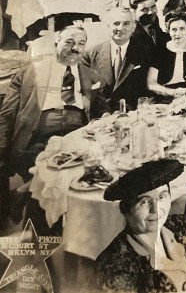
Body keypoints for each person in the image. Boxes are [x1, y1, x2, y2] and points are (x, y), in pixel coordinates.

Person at [92, 159, 186, 293]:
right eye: (144, 201)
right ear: (126, 210)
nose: (156, 209)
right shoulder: (113, 267)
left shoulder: (181, 225)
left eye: (162, 197)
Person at [0, 26, 107, 181]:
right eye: (69, 42)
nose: (75, 48)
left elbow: (104, 114)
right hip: (38, 139)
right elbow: (6, 115)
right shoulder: (28, 73)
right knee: (44, 177)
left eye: (81, 43)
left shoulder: (93, 77)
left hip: (77, 137)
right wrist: (1, 153)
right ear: (57, 43)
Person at [83, 7, 156, 112]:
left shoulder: (146, 52)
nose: (121, 28)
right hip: (101, 115)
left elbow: (150, 88)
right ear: (108, 26)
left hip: (133, 113)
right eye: (116, 23)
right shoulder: (90, 54)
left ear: (134, 27)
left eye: (126, 23)